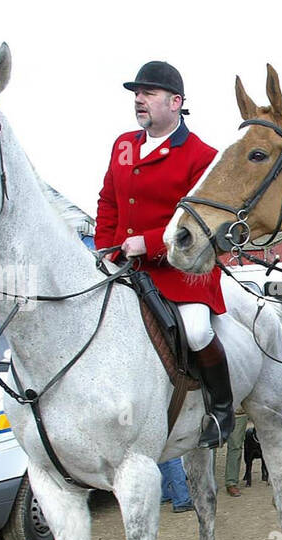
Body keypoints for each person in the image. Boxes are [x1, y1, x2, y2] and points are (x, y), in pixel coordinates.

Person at [96, 61, 235, 449]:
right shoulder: (123, 145)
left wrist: (152, 243)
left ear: (176, 102)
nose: (139, 99)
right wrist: (104, 247)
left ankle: (221, 409)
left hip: (182, 271)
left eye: (149, 93)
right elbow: (108, 200)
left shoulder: (201, 155)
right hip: (123, 264)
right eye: (136, 93)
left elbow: (200, 224)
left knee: (196, 330)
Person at [222, 409, 247, 497]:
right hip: (214, 410)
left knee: (236, 446)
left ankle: (231, 482)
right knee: (211, 447)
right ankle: (208, 482)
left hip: (238, 412)